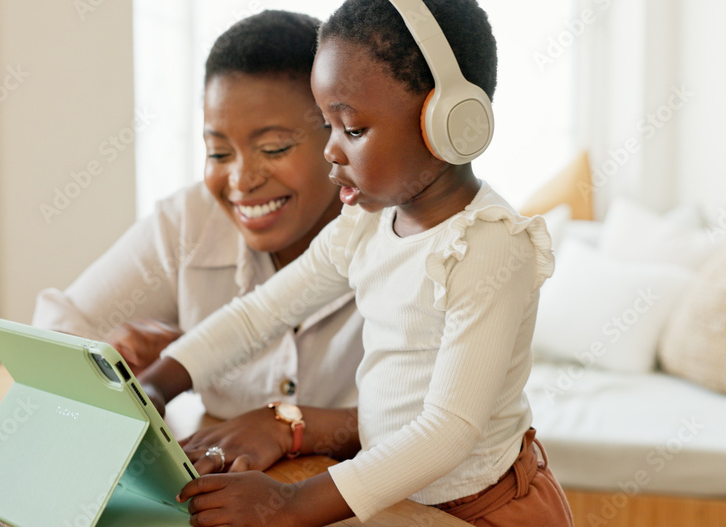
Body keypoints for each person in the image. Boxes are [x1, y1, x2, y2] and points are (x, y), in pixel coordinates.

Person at [139, 1, 574, 525]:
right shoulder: (366, 224)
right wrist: (160, 382)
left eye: (352, 129)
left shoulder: (488, 244)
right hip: (395, 493)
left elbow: (449, 431)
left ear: (447, 122)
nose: (330, 150)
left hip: (480, 510)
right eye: (327, 125)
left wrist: (295, 504)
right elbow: (261, 314)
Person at [30, 10, 366, 475]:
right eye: (218, 153)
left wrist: (289, 425)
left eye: (273, 149)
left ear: (339, 136)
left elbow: (437, 417)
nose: (241, 179)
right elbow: (56, 332)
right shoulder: (190, 221)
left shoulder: (401, 230)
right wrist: (114, 368)